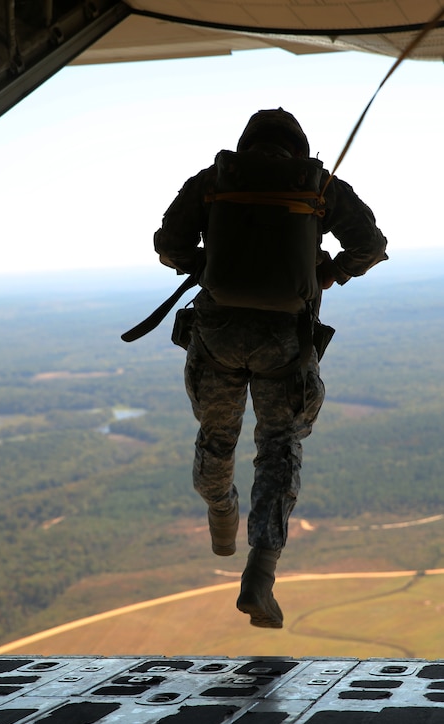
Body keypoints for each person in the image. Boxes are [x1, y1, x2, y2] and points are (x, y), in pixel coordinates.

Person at [153, 108, 388, 629]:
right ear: (297, 148)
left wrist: (205, 265)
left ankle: (221, 511)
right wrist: (329, 273)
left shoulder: (215, 180)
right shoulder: (319, 185)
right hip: (285, 338)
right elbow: (370, 246)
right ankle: (260, 573)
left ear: (247, 143)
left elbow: (168, 245)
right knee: (279, 447)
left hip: (216, 332)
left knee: (216, 437)